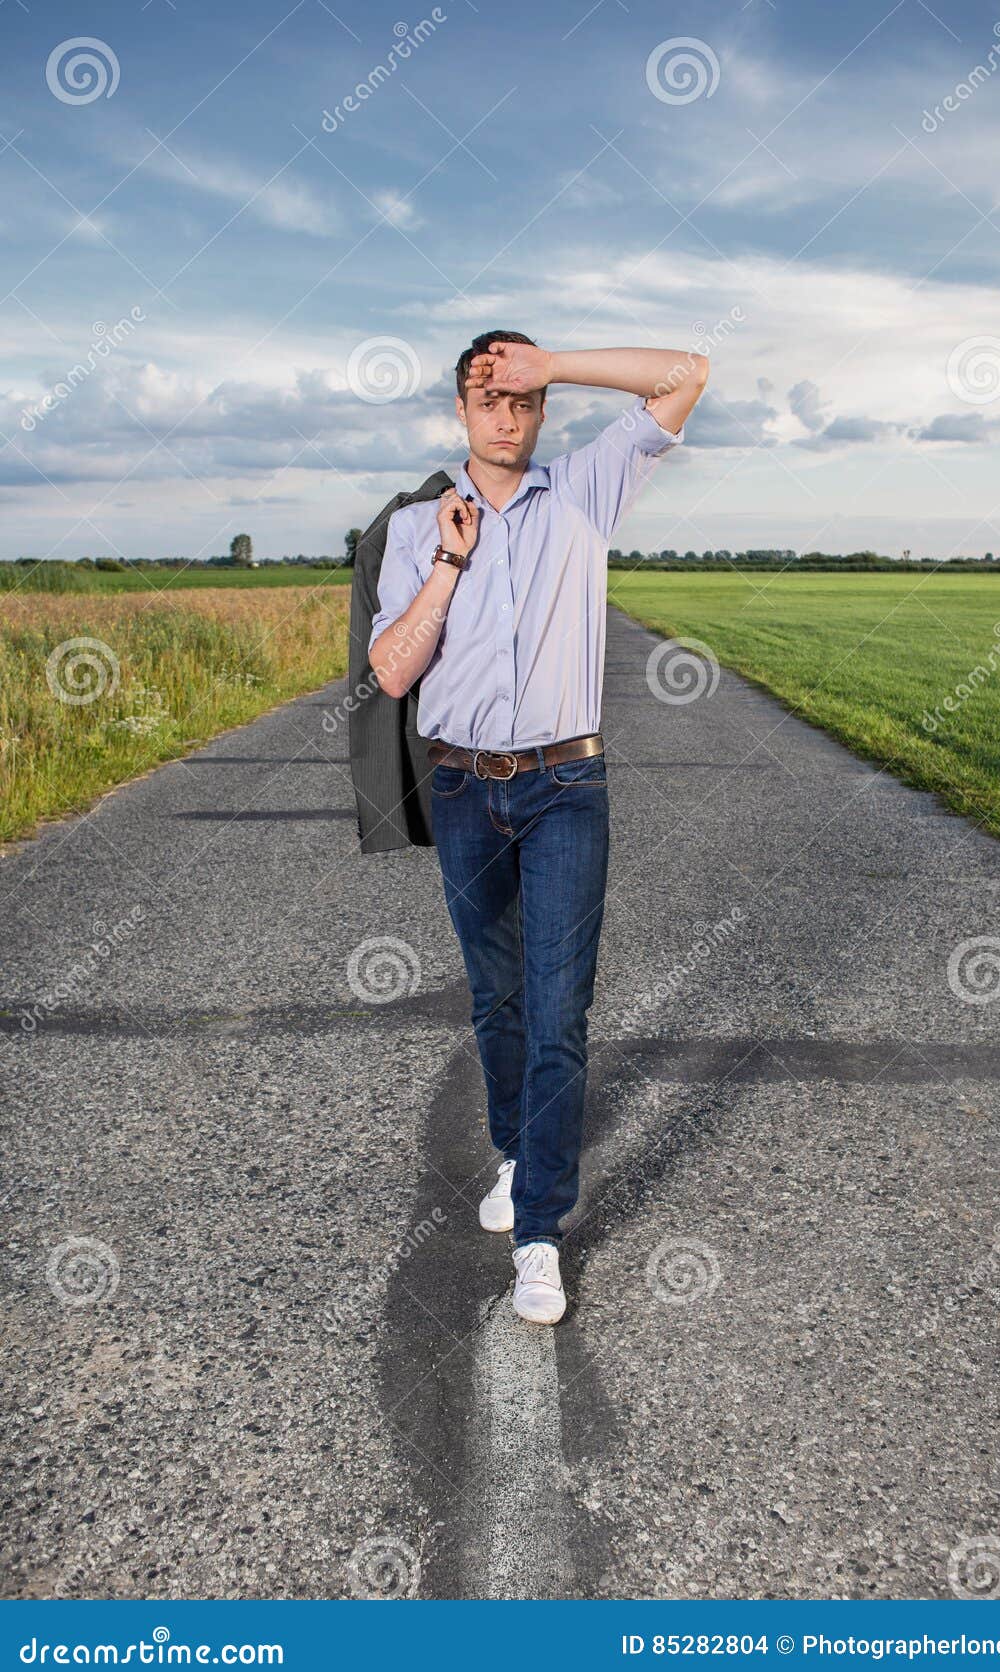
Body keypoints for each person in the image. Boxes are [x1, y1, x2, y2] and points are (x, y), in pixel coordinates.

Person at [368, 333, 707, 1324]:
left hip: (566, 785)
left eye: (520, 399)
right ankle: (518, 1154)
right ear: (460, 414)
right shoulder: (415, 526)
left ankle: (538, 1233)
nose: (505, 415)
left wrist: (549, 356)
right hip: (465, 790)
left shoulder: (585, 491)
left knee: (558, 1008)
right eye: (488, 397)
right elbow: (392, 671)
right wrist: (445, 561)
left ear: (540, 410)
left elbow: (686, 375)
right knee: (497, 999)